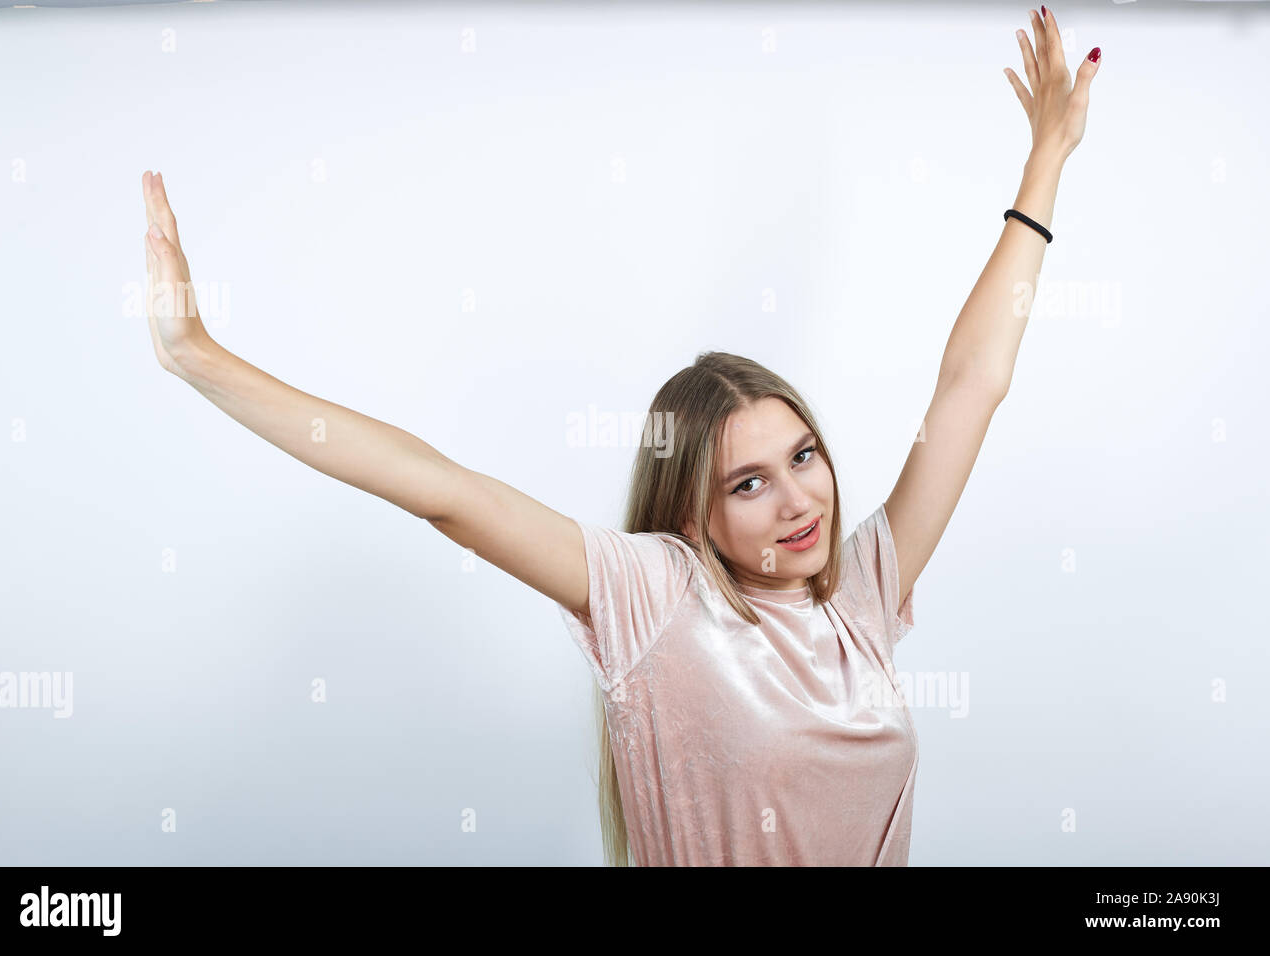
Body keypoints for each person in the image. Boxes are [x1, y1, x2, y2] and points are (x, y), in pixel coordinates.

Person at [139, 6, 1098, 865]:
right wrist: (198, 354)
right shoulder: (657, 599)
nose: (800, 498)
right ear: (692, 516)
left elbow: (972, 383)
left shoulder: (863, 594)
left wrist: (1045, 161)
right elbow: (444, 493)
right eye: (749, 483)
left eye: (802, 457)